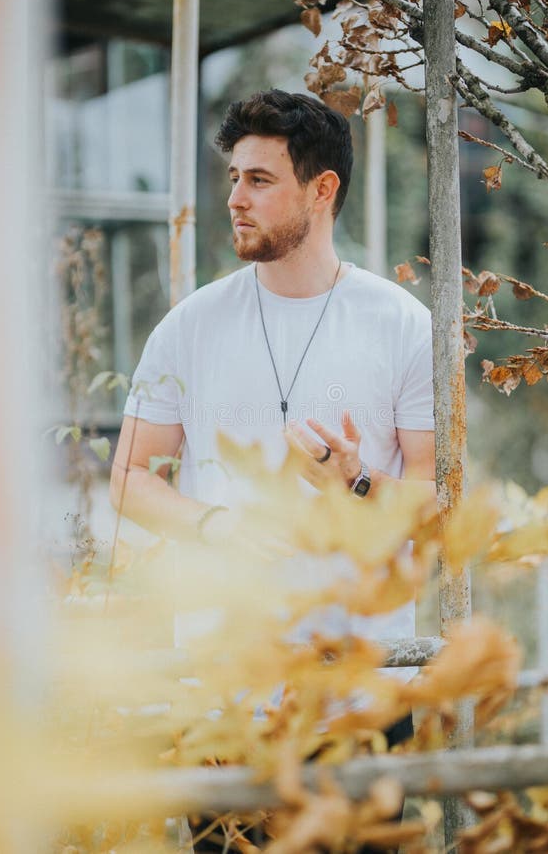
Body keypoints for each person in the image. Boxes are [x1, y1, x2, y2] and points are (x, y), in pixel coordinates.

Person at [109, 87, 435, 751]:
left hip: (361, 699)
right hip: (221, 697)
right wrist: (215, 525)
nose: (235, 198)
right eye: (234, 177)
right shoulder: (188, 327)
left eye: (259, 179)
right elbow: (127, 477)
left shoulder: (402, 325)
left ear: (321, 190)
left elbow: (437, 502)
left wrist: (357, 479)